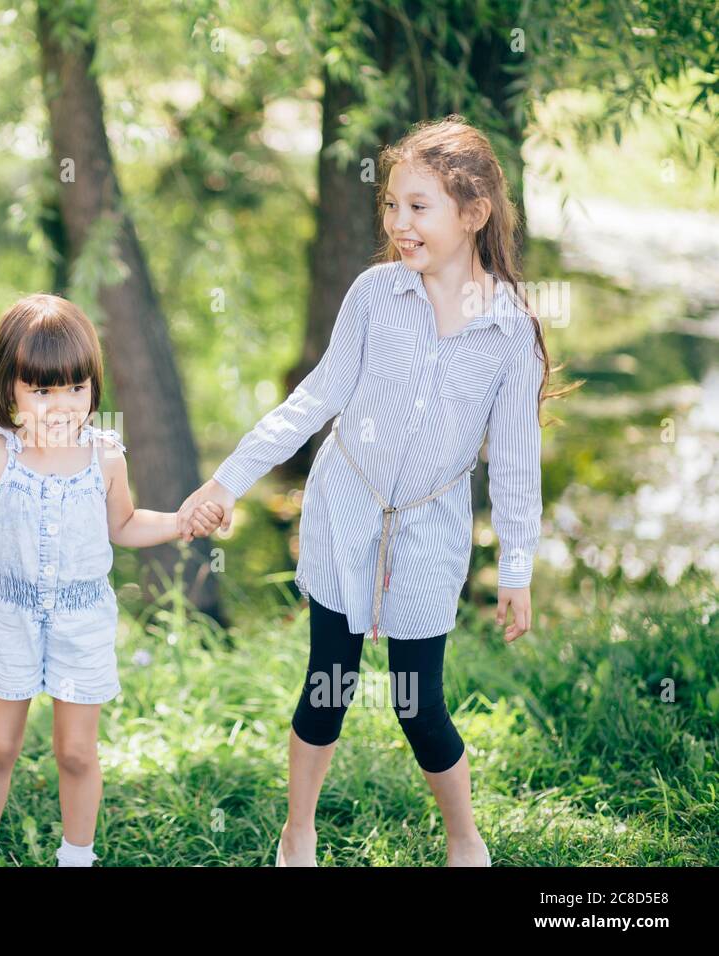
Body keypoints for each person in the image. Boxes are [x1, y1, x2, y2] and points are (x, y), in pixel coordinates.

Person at [179, 115, 563, 867]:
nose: (398, 223)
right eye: (391, 205)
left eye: (418, 207)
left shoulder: (509, 332)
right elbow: (313, 399)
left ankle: (465, 839)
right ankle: (299, 832)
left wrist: (516, 566)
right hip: (345, 507)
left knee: (418, 703)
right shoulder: (375, 294)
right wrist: (228, 481)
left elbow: (517, 461)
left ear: (473, 213)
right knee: (330, 681)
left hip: (430, 530)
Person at [0, 293, 224, 866]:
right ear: (8, 390)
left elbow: (121, 524)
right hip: (12, 617)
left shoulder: (106, 456)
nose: (62, 406)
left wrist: (178, 522)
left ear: (93, 389)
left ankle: (76, 855)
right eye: (42, 391)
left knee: (76, 752)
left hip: (84, 619)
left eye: (76, 389)